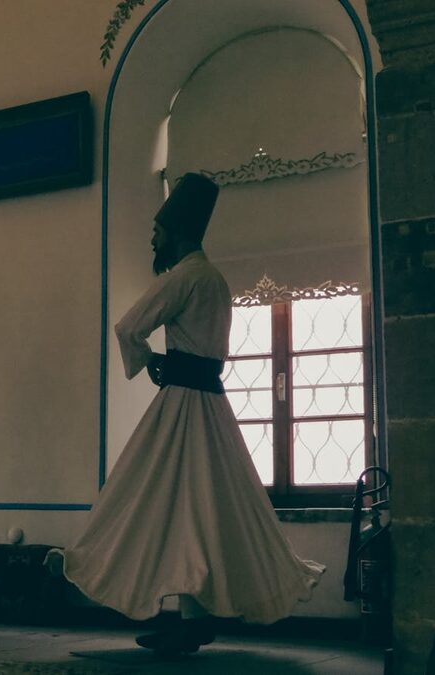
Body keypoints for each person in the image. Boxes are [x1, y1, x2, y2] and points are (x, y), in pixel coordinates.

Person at [49, 173, 325, 655]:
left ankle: (94, 565)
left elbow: (128, 326)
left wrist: (152, 361)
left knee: (146, 497)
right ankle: (194, 618)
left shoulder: (182, 278)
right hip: (213, 406)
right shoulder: (215, 278)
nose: (153, 239)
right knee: (207, 507)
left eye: (157, 232)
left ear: (176, 232)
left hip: (181, 405)